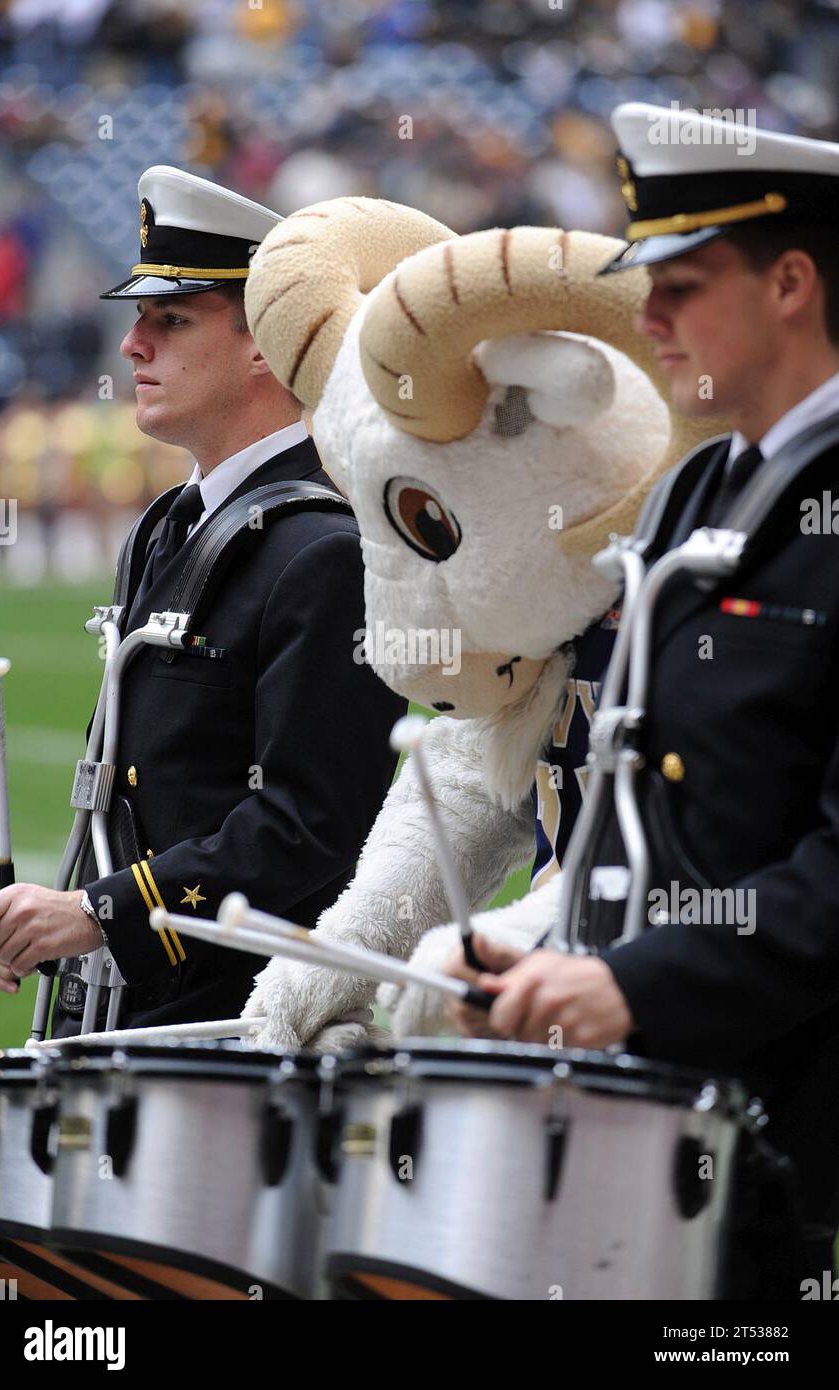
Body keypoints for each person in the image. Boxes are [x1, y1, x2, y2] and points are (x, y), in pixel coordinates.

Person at [445, 102, 839, 1290]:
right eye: (645, 286)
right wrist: (539, 950)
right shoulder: (690, 494)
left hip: (789, 1151)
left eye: (685, 284)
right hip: (643, 1121)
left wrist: (631, 984)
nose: (649, 320)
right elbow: (637, 816)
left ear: (791, 283)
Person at [0, 165, 405, 1036]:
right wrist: (69, 914)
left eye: (170, 320)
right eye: (140, 319)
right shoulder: (172, 522)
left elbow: (312, 829)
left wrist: (100, 913)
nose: (133, 345)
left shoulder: (324, 548)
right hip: (126, 1012)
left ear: (264, 343)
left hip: (234, 1038)